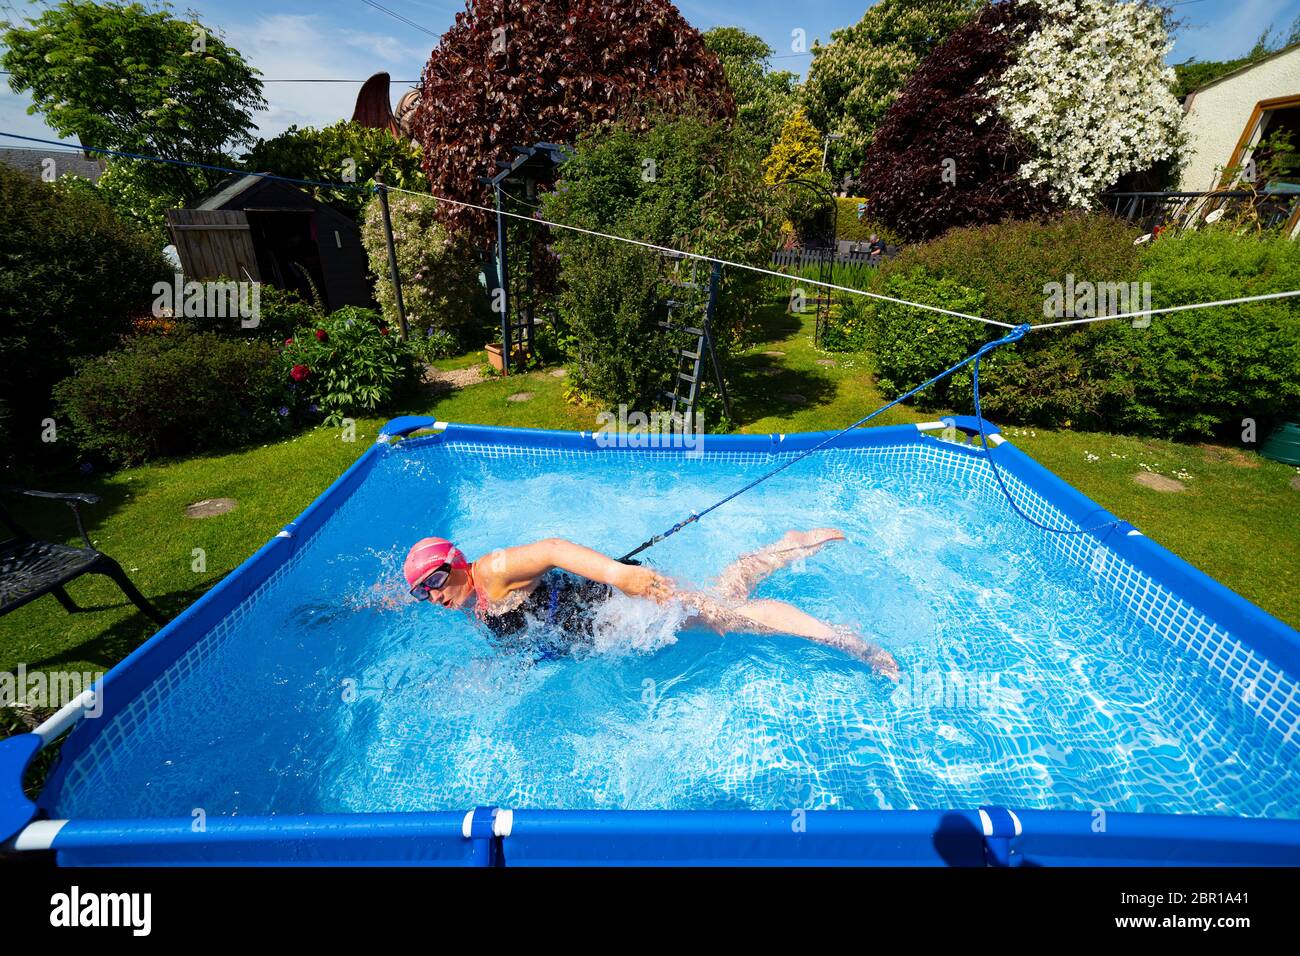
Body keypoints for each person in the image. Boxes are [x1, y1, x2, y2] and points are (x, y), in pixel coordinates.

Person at [403, 531, 899, 678]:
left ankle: (845, 638)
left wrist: (622, 575)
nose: (433, 595)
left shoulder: (491, 570)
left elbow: (553, 548)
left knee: (729, 619)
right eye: (421, 592)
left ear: (458, 562)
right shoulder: (469, 597)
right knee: (723, 598)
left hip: (620, 605)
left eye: (435, 580)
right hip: (602, 628)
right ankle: (780, 549)